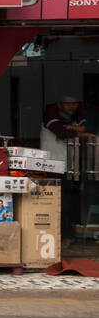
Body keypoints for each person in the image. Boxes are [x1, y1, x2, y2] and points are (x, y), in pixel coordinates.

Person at [42, 95, 99, 228]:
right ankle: (59, 233)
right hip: (52, 166)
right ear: (59, 105)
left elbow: (89, 128)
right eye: (67, 104)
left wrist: (74, 128)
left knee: (68, 203)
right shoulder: (50, 118)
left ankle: (68, 233)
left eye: (74, 104)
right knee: (55, 203)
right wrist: (84, 133)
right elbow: (62, 133)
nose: (71, 106)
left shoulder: (74, 121)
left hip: (70, 168)